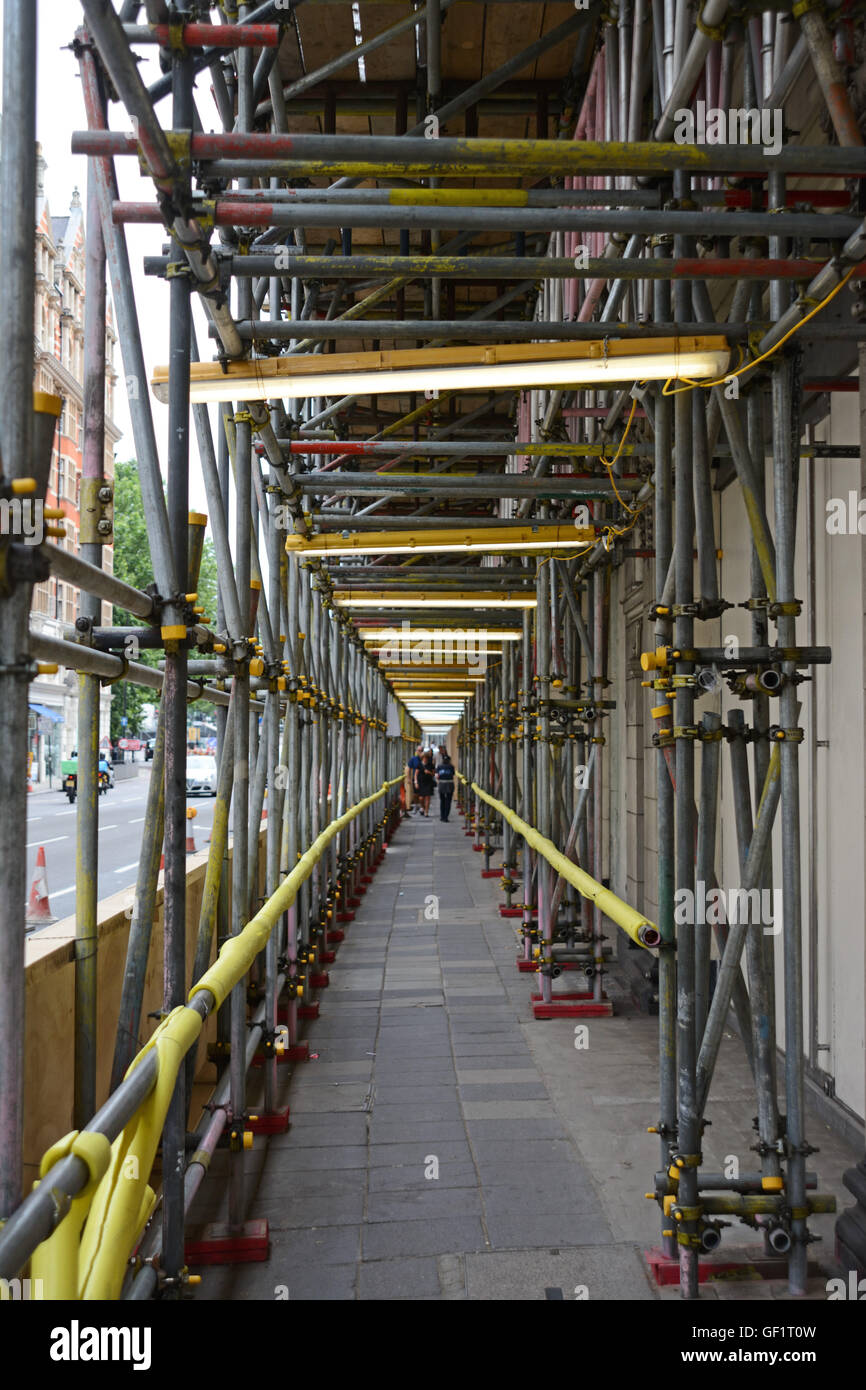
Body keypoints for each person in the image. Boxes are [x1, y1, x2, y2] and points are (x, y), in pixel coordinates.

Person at [415, 750, 436, 817]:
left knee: (427, 797)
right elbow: (416, 774)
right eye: (424, 757)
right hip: (421, 783)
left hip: (428, 782)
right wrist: (416, 782)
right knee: (421, 798)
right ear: (422, 758)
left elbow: (433, 774)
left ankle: (426, 812)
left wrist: (428, 772)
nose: (425, 759)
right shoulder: (419, 764)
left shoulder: (430, 765)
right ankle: (423, 808)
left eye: (426, 758)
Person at [436, 751, 455, 822]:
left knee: (442, 801)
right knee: (448, 801)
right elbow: (453, 774)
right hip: (450, 784)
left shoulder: (439, 766)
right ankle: (446, 816)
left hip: (441, 784)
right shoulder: (451, 767)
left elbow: (437, 775)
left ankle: (442, 816)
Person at [406, 744, 423, 814]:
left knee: (423, 794)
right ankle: (416, 805)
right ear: (416, 751)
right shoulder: (413, 759)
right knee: (416, 794)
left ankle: (422, 807)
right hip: (416, 779)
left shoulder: (425, 758)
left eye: (421, 751)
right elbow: (409, 769)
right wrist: (409, 778)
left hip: (424, 779)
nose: (420, 752)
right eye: (419, 751)